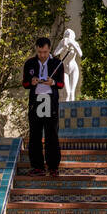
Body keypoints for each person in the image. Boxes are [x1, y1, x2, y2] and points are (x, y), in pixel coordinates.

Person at [21, 37, 65, 176]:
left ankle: (53, 167)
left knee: (51, 133)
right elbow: (25, 84)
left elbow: (61, 84)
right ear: (36, 49)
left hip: (50, 101)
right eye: (40, 52)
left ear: (49, 49)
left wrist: (52, 82)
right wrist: (32, 82)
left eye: (45, 52)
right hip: (36, 101)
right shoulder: (30, 63)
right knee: (35, 134)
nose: (42, 55)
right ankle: (37, 167)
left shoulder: (57, 63)